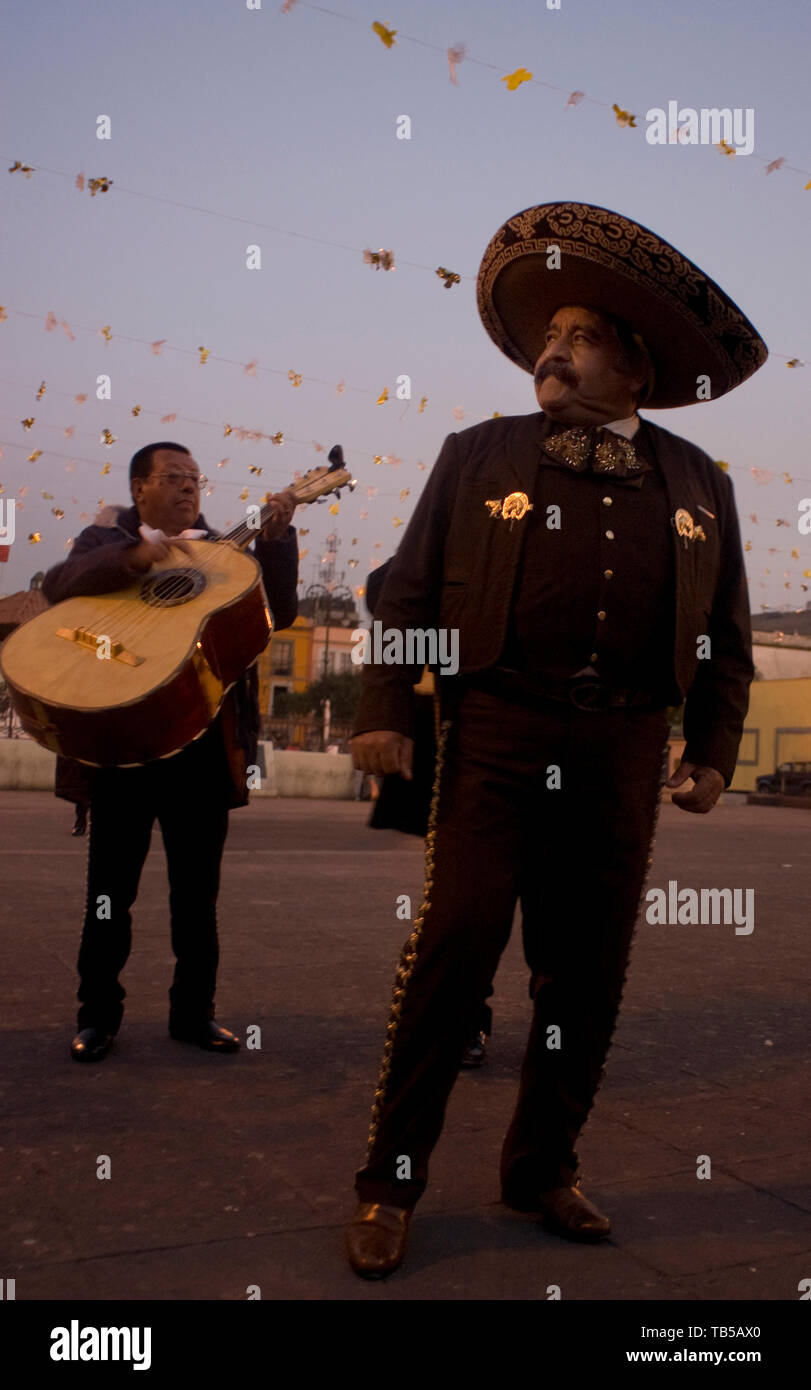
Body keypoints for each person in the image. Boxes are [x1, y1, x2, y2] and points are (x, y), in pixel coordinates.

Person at [345, 201, 766, 1278]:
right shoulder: (476, 453)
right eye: (550, 334)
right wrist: (387, 708)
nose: (552, 348)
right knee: (454, 949)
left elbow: (724, 637)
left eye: (578, 336)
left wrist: (710, 748)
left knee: (584, 975)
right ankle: (390, 1178)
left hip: (623, 750)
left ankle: (541, 1166)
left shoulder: (700, 483)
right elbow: (403, 593)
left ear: (632, 361)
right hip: (494, 731)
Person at [42, 442, 298, 1062]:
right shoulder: (105, 537)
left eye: (195, 478)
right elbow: (59, 586)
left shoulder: (224, 550)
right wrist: (136, 555)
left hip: (203, 743)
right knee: (109, 893)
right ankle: (97, 1017)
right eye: (174, 477)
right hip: (123, 741)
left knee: (196, 896)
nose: (189, 488)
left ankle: (194, 1014)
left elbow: (278, 614)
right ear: (138, 489)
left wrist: (277, 542)